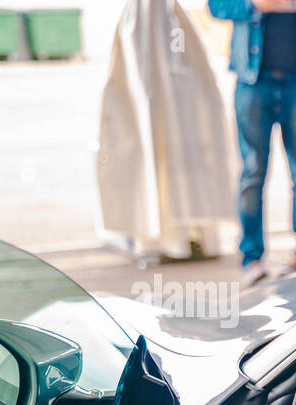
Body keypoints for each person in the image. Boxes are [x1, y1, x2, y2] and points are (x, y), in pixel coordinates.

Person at [209, 0, 296, 285]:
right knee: (252, 172)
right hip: (253, 81)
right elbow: (216, 6)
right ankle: (252, 258)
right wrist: (253, 5)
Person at [98, 0, 237, 263]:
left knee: (176, 150)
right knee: (157, 145)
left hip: (171, 64)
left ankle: (187, 234)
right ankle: (169, 237)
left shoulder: (168, 21)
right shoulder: (143, 21)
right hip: (155, 46)